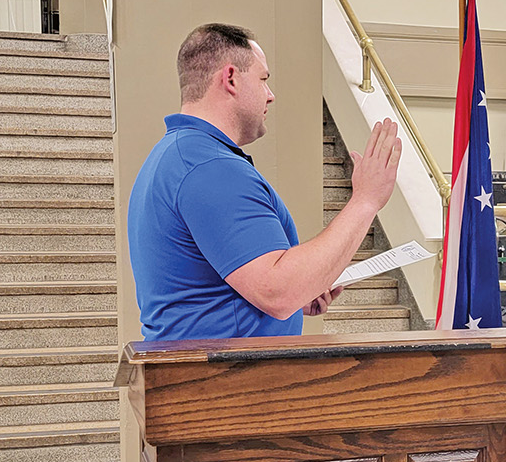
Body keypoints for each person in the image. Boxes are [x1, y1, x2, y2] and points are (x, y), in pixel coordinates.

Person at [127, 23, 402, 341]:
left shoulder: (179, 155)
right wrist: (365, 200)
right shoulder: (210, 167)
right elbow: (277, 292)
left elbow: (224, 288)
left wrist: (304, 288)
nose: (270, 96)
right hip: (226, 380)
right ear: (230, 78)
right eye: (263, 80)